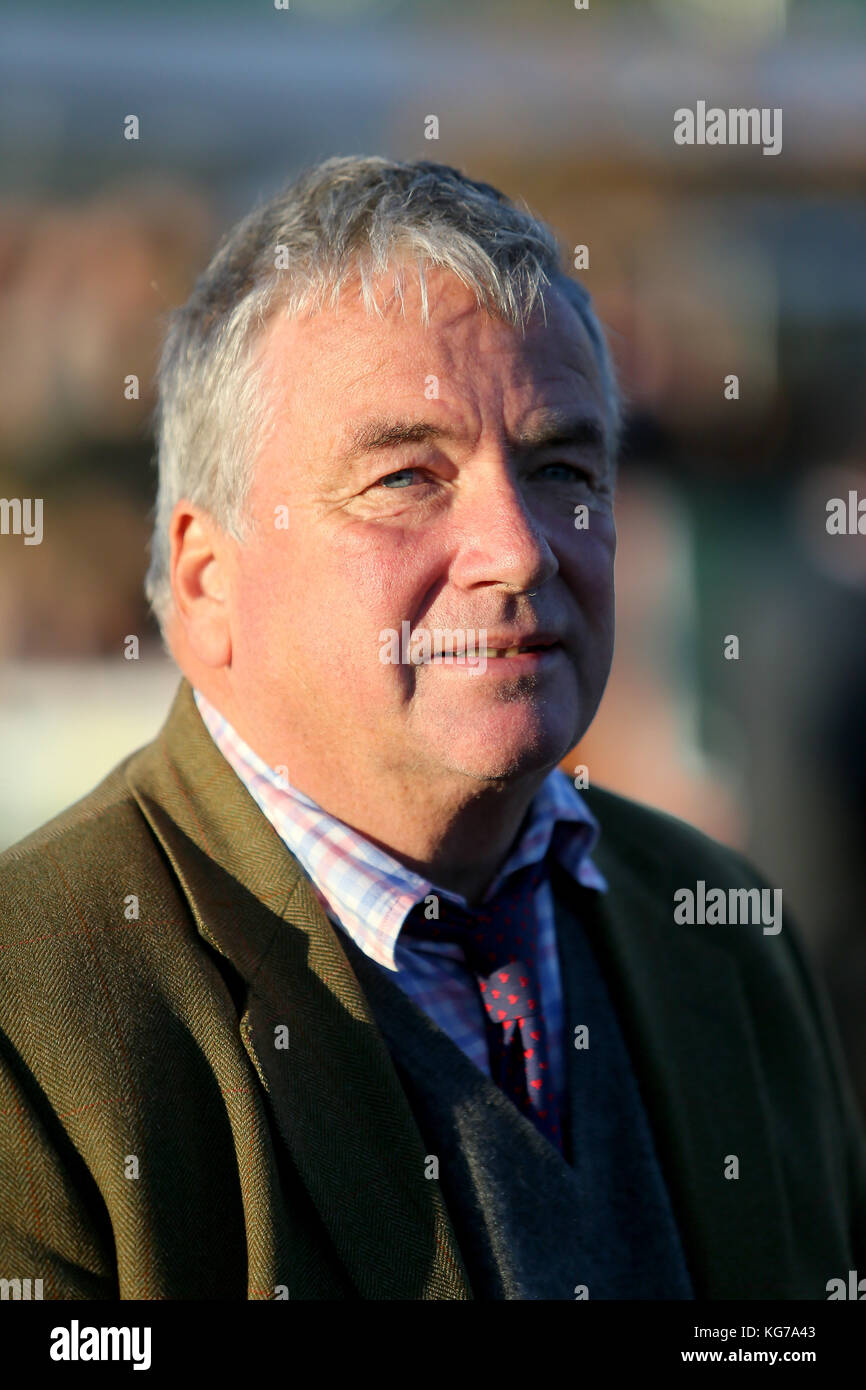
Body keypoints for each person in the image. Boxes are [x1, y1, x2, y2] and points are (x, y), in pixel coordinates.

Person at [1, 156, 863, 1301]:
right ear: (208, 583)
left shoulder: (724, 937)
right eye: (406, 477)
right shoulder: (34, 1022)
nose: (517, 548)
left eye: (561, 467)